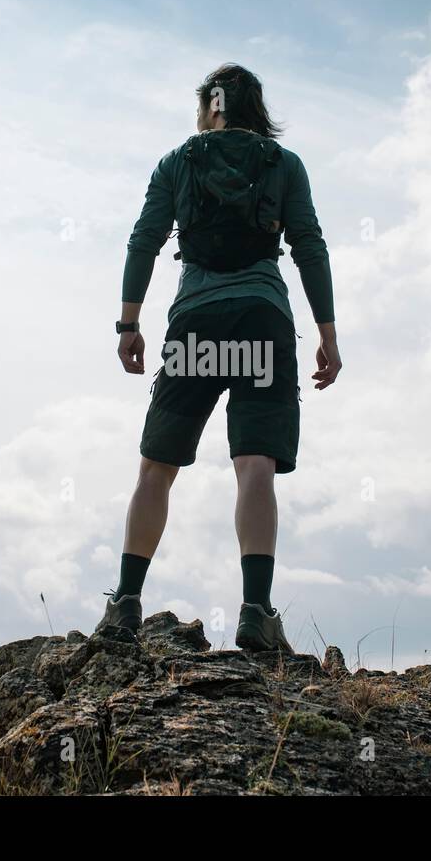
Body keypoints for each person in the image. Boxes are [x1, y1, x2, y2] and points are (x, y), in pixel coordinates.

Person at [101, 63, 341, 652]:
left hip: (195, 325)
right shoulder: (283, 166)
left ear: (208, 107)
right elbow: (309, 245)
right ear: (256, 107)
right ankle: (256, 612)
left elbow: (144, 239)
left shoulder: (177, 162)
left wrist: (129, 322)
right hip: (262, 318)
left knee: (157, 467)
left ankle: (126, 604)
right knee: (254, 464)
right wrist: (327, 333)